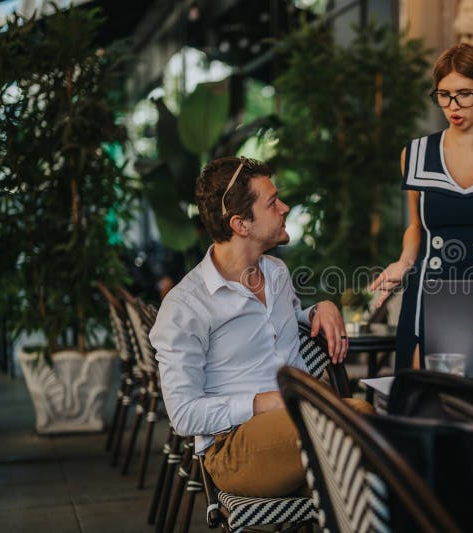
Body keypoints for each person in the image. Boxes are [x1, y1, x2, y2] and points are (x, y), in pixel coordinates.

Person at [150, 157, 372, 497]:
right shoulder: (185, 307)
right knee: (360, 421)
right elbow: (183, 415)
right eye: (272, 202)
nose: (284, 207)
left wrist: (317, 311)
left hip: (300, 421)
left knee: (367, 442)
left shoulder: (276, 273)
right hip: (234, 446)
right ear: (241, 224)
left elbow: (283, 319)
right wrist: (266, 402)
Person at [370, 43, 473, 370]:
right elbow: (417, 227)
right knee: (421, 397)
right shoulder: (415, 155)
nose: (452, 106)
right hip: (426, 293)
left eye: (464, 94)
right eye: (443, 95)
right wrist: (403, 262)